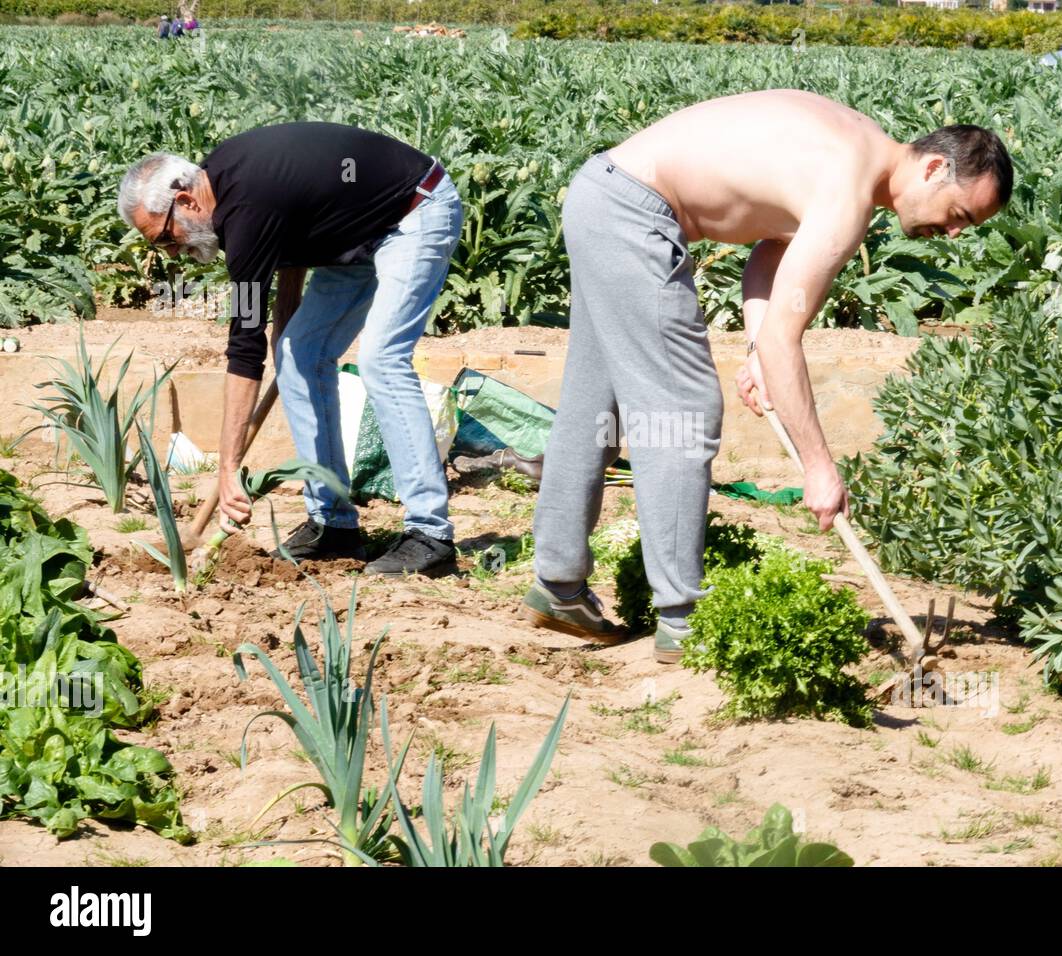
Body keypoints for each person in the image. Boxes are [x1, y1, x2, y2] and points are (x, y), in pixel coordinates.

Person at [521, 89, 1013, 663]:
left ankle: (558, 586)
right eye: (959, 215)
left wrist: (756, 350)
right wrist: (819, 469)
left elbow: (770, 253)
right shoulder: (846, 195)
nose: (954, 233)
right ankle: (684, 619)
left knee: (594, 406)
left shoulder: (855, 148)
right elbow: (788, 337)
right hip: (634, 213)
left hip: (601, 194)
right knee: (684, 410)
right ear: (933, 167)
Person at [117, 123, 464, 576]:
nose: (173, 253)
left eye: (165, 239)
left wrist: (228, 468)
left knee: (381, 359)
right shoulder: (227, 190)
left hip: (414, 210)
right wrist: (290, 342)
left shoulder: (244, 210)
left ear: (185, 201)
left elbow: (244, 347)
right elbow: (291, 253)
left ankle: (430, 535)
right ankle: (333, 525)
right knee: (297, 355)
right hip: (352, 234)